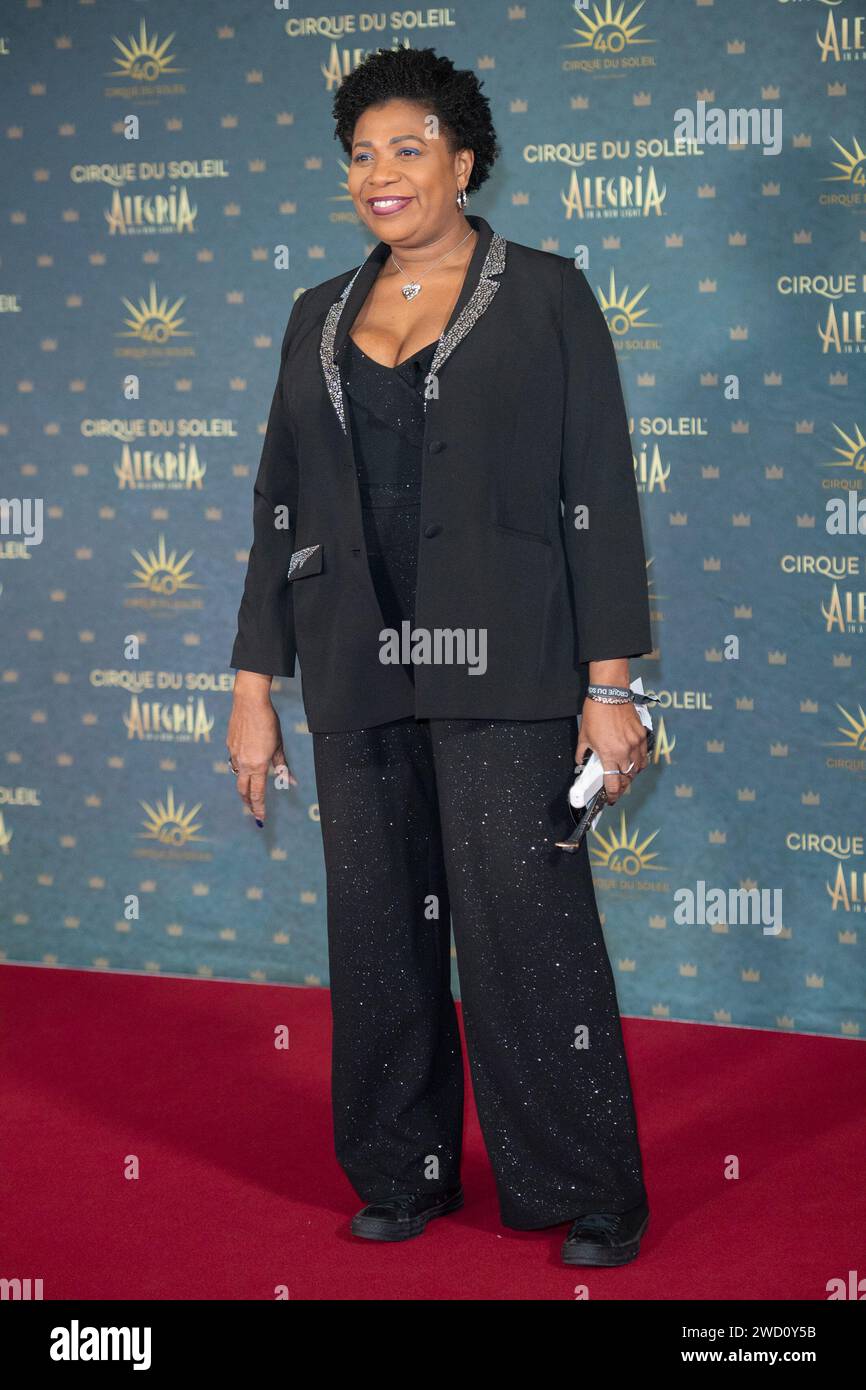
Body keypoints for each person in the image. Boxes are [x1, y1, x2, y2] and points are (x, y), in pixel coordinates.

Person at [227, 46, 654, 1267]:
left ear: (463, 162)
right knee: (375, 929)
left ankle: (586, 1184)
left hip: (506, 666)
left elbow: (600, 498)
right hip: (356, 669)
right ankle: (402, 1167)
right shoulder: (316, 313)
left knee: (525, 927)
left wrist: (609, 689)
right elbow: (277, 508)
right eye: (360, 155)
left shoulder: (544, 296)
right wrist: (254, 687)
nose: (381, 173)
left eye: (407, 148)